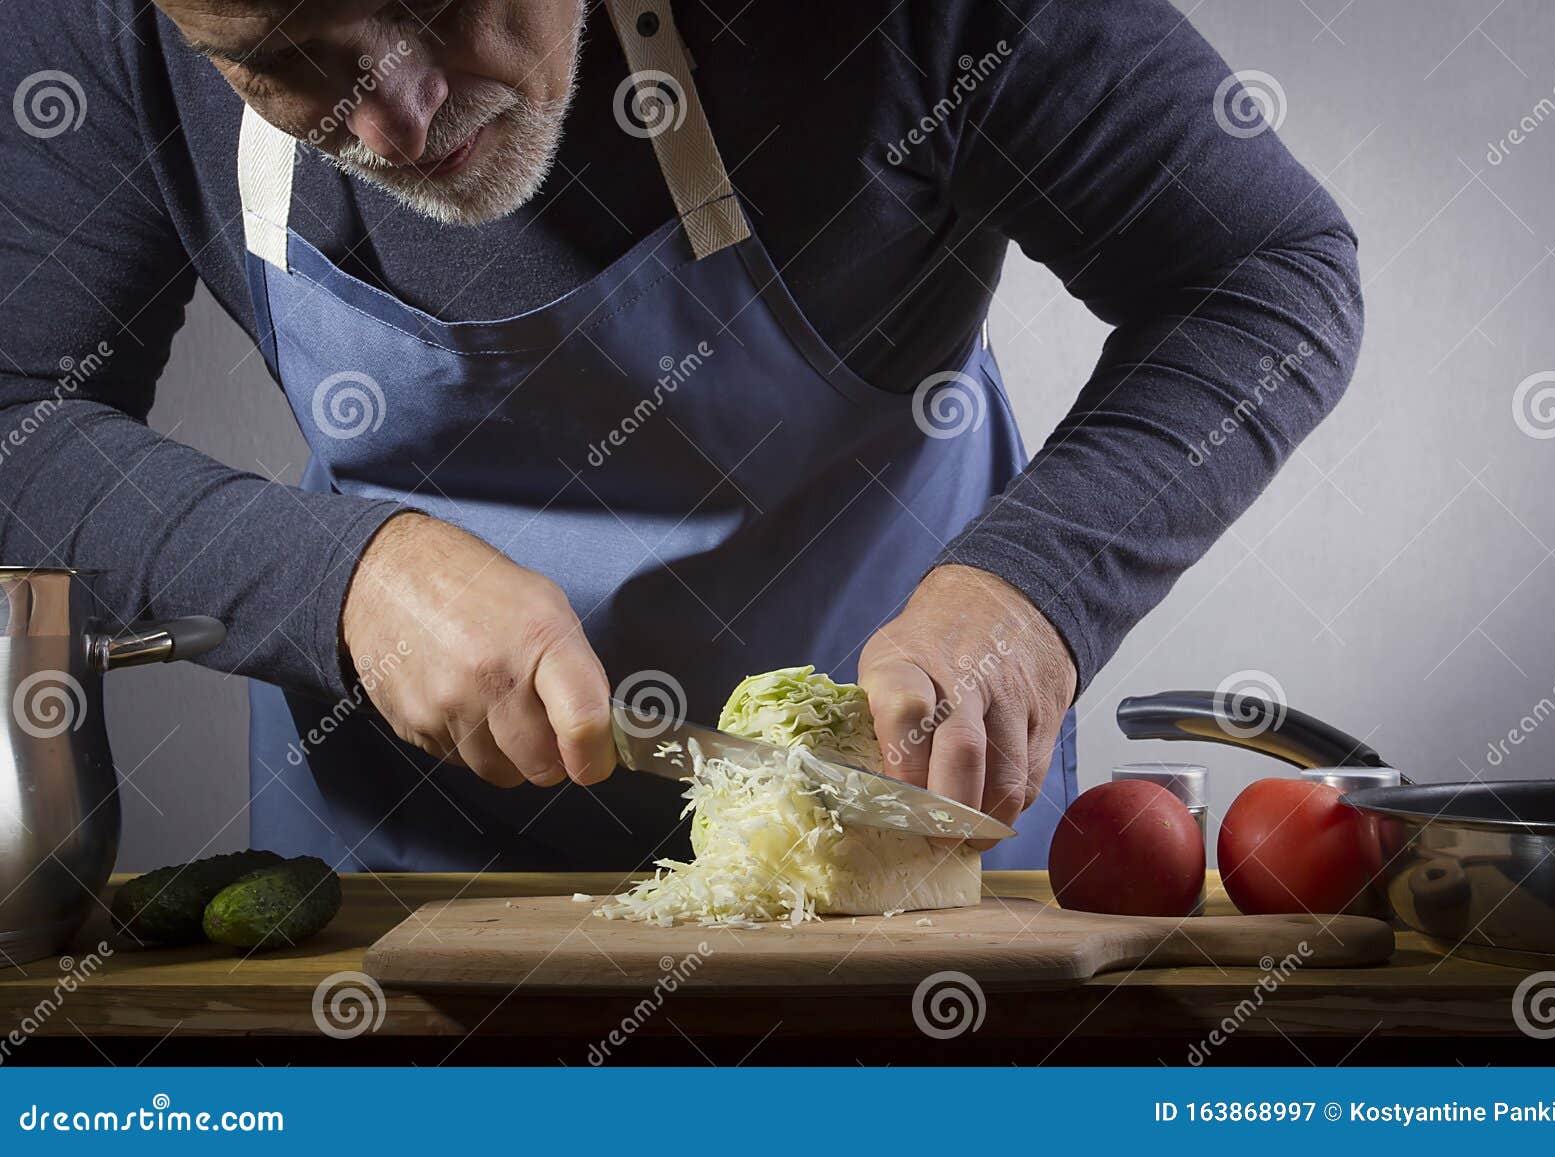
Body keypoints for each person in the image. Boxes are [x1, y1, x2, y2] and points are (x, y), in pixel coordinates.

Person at [0, 0, 1361, 872]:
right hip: (397, 912)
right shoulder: (100, 22)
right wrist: (333, 580)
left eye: (447, 3)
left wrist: (1035, 591)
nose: (398, 114)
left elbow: (1265, 273)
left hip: (890, 885)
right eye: (288, 56)